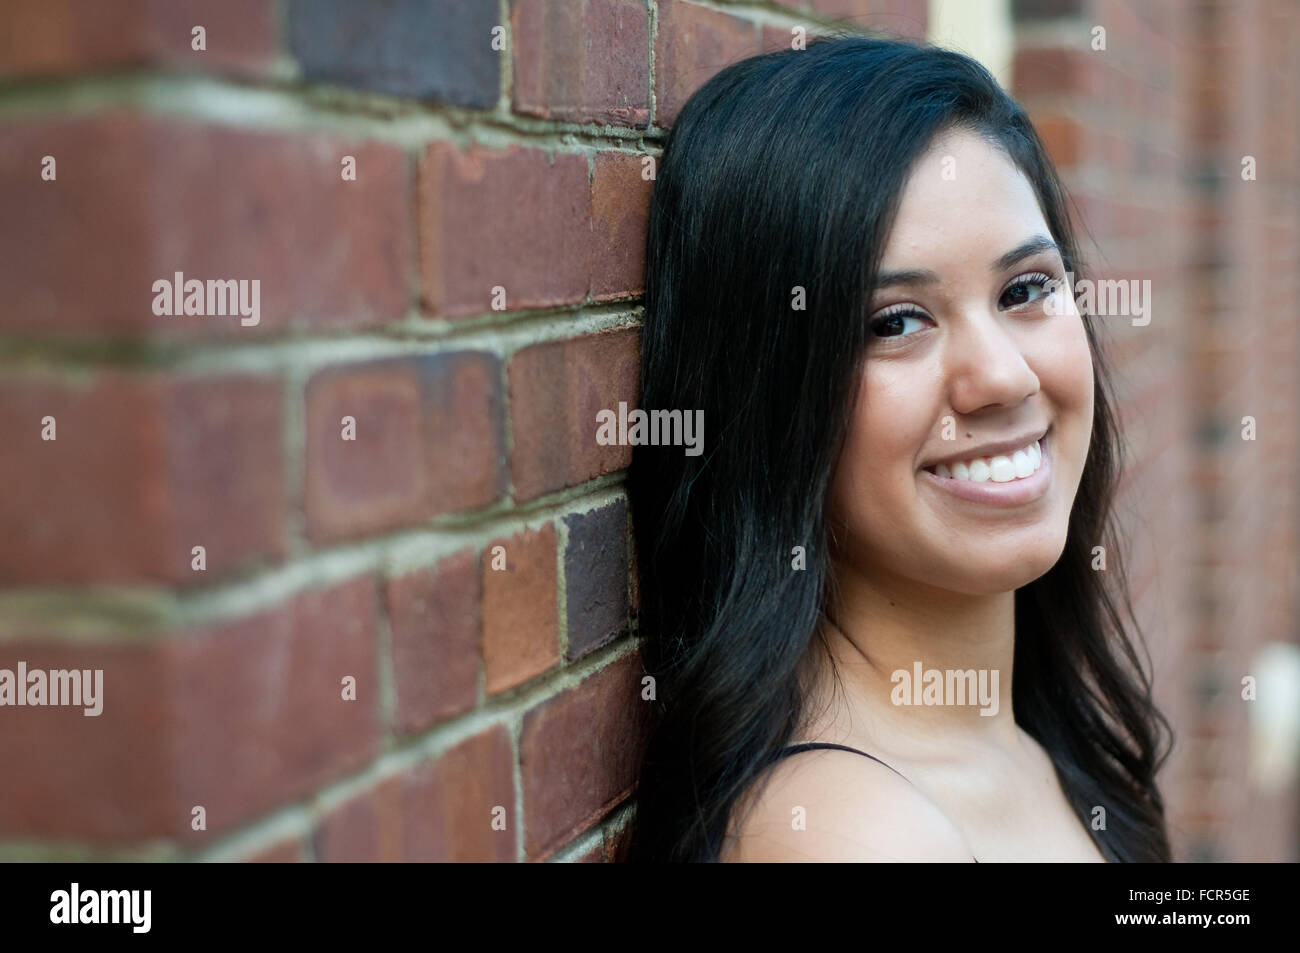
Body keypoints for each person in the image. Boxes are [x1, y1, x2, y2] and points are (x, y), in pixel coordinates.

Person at [618, 33, 1172, 863]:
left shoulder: (1041, 745)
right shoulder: (854, 833)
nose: (1003, 377)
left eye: (1025, 290)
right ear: (771, 394)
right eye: (895, 322)